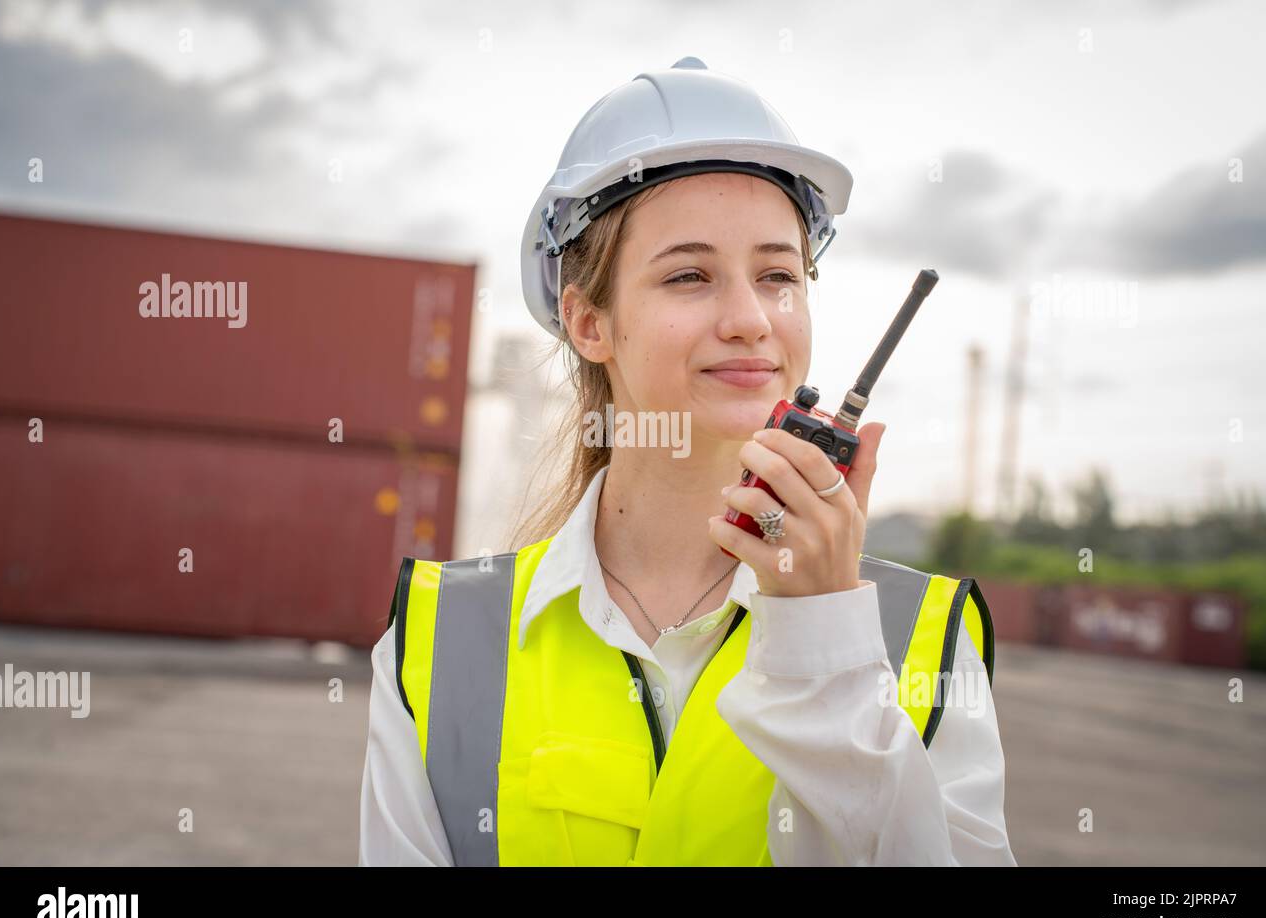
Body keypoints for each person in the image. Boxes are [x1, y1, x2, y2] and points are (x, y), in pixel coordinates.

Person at [360, 57, 1017, 866]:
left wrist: (828, 646)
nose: (749, 318)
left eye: (779, 274)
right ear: (589, 322)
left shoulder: (927, 641)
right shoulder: (436, 643)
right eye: (690, 275)